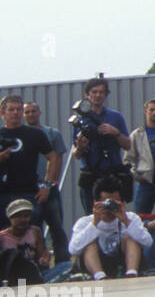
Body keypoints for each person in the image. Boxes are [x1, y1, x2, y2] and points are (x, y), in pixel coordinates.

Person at [68, 177, 152, 279]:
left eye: (114, 203)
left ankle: (131, 274)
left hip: (123, 262)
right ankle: (101, 277)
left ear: (122, 202)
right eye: (105, 203)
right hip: (97, 267)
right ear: (95, 203)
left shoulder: (131, 218)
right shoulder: (85, 222)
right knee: (88, 243)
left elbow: (148, 242)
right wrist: (95, 223)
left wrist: (126, 221)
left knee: (131, 237)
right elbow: (73, 250)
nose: (109, 207)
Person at [71, 77, 132, 213]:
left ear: (105, 95)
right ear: (87, 95)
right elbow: (76, 154)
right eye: (94, 92)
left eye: (101, 92)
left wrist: (116, 133)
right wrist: (80, 147)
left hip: (112, 172)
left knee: (116, 213)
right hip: (90, 173)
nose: (98, 95)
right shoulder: (80, 120)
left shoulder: (115, 117)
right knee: (92, 215)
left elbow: (128, 145)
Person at [0, 96, 58, 231]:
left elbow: (53, 158)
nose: (15, 113)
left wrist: (46, 186)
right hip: (3, 193)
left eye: (18, 109)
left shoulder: (35, 134)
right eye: (11, 109)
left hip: (29, 192)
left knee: (31, 232)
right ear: (3, 113)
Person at [23, 102, 69, 262]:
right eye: (27, 112)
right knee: (33, 229)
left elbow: (57, 159)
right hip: (30, 189)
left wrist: (50, 184)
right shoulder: (22, 136)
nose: (30, 115)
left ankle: (63, 262)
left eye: (33, 111)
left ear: (39, 112)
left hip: (49, 188)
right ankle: (38, 264)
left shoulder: (52, 133)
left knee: (56, 227)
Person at [2, 199, 50, 280]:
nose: (23, 220)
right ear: (10, 218)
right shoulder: (2, 237)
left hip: (33, 275)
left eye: (26, 216)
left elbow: (40, 258)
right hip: (12, 279)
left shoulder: (35, 231)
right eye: (18, 216)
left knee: (65, 265)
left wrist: (44, 260)